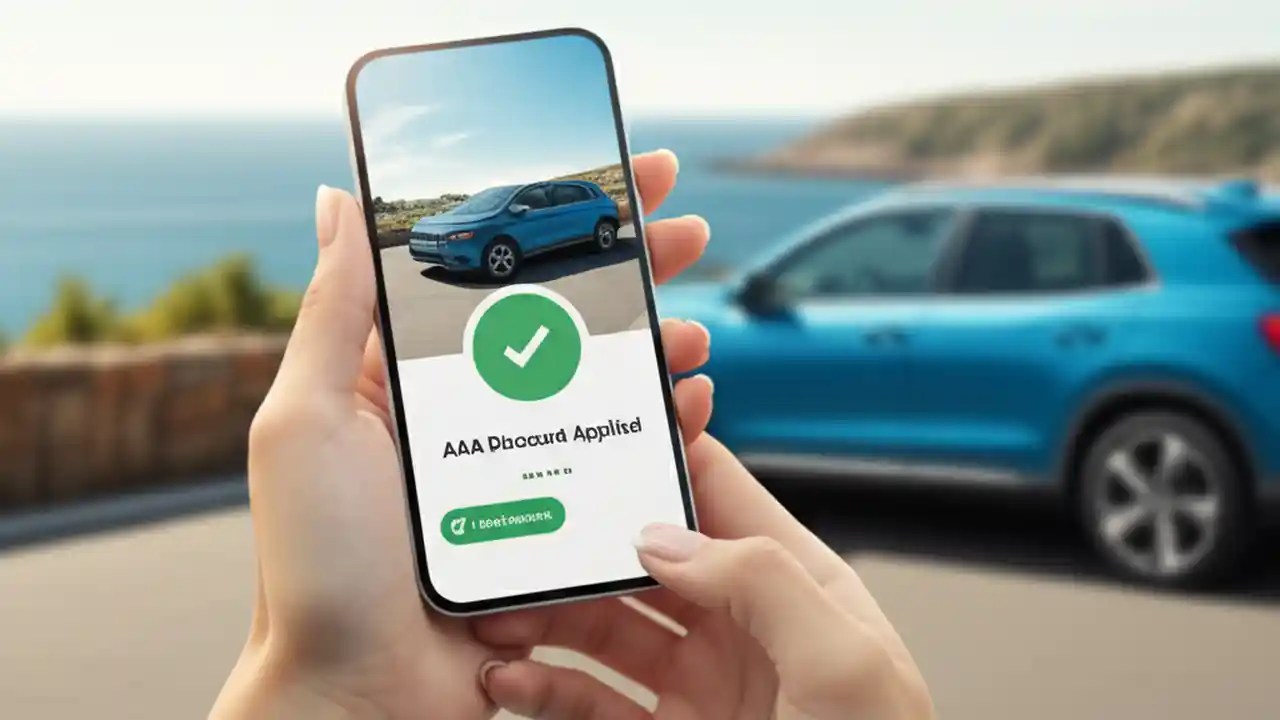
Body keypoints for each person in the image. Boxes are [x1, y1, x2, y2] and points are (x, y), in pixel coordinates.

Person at [211, 150, 934, 720]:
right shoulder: (465, 222)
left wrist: (331, 703)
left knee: (669, 407)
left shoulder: (571, 214)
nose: (446, 232)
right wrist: (339, 697)